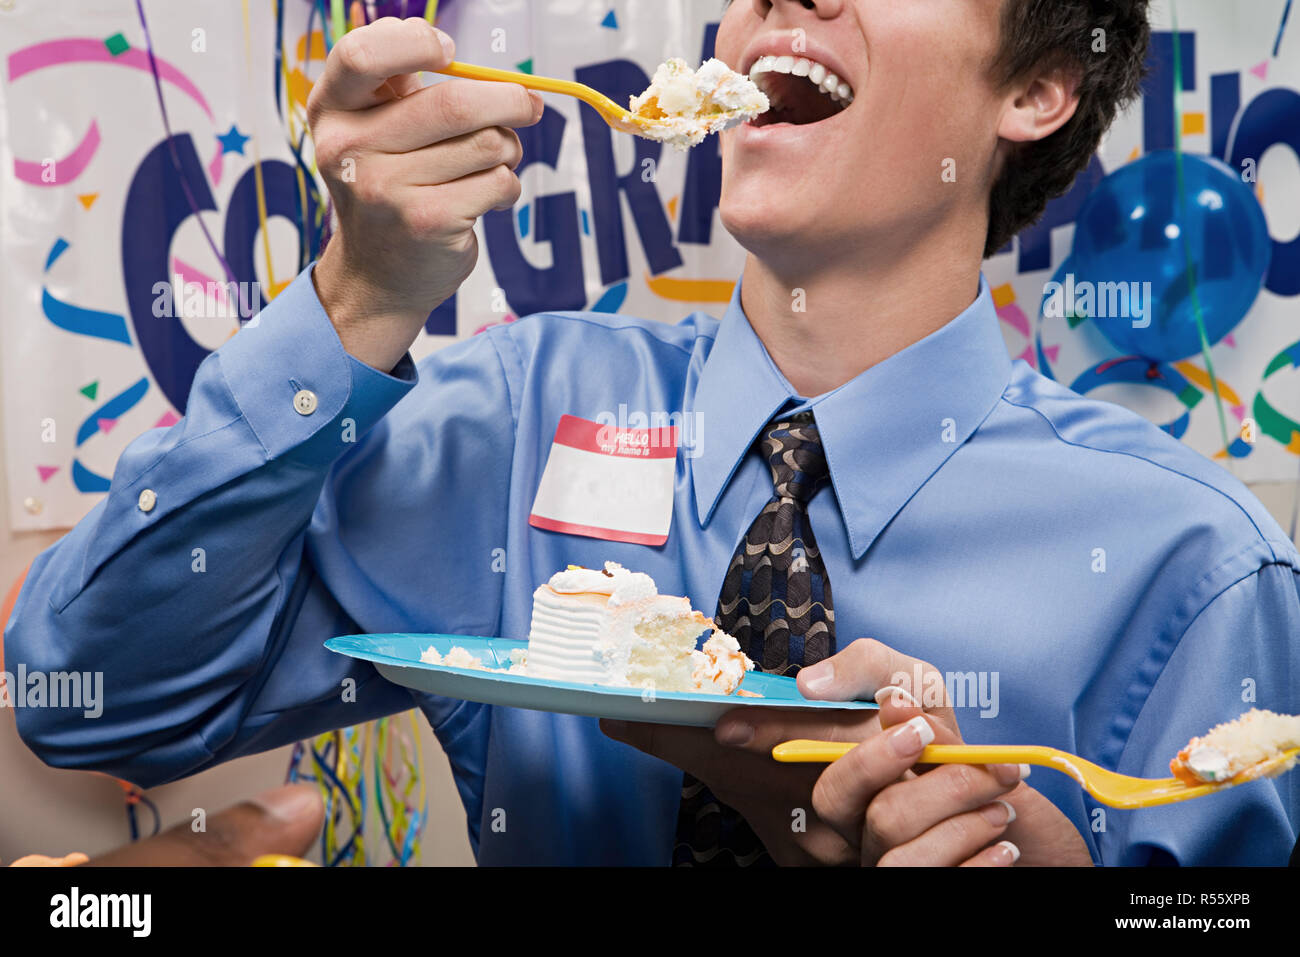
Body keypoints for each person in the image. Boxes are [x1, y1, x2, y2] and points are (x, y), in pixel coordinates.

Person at [5, 1, 1298, 866]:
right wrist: (358, 298)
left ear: (1040, 85)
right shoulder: (516, 416)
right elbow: (98, 698)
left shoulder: (1196, 565)